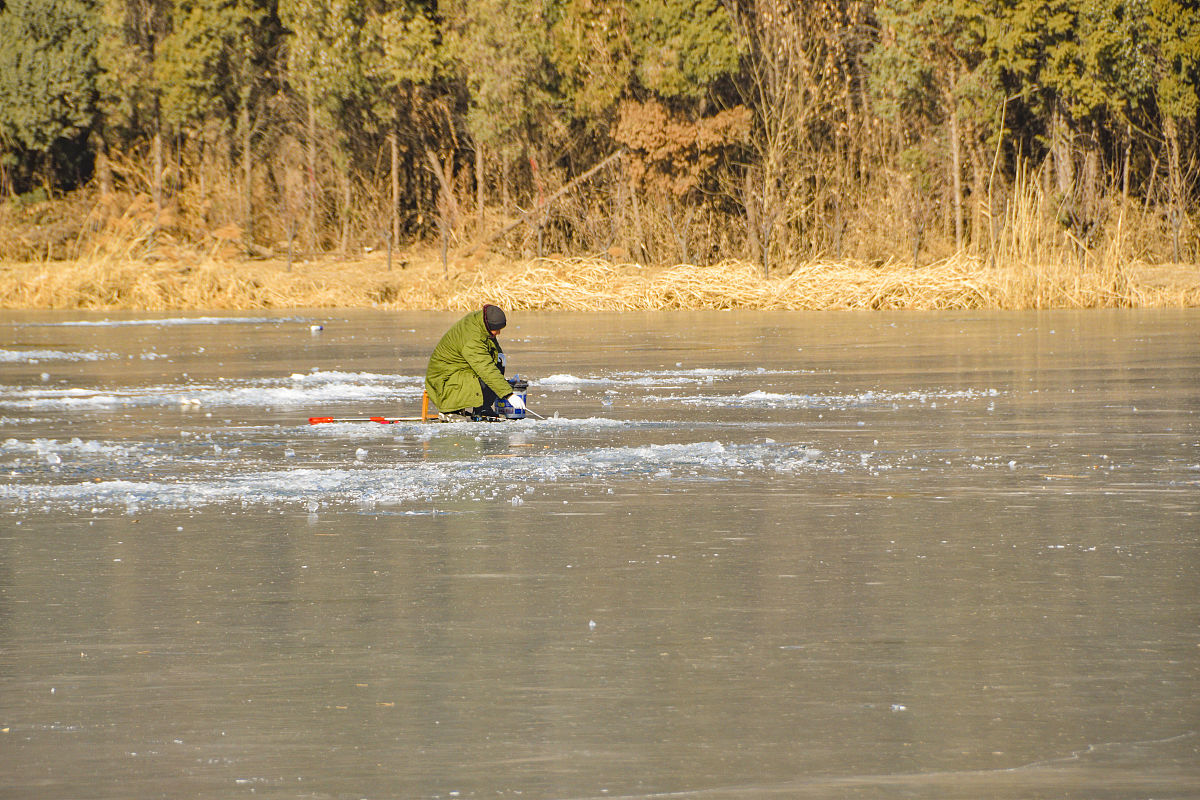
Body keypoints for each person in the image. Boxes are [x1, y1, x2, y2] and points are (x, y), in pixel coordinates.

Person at [424, 304, 526, 419]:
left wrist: (500, 357)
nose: (498, 333)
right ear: (489, 325)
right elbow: (485, 368)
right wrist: (508, 394)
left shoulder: (481, 323)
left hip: (461, 367)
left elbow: (492, 350)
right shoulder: (472, 339)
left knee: (497, 363)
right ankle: (451, 411)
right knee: (486, 372)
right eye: (496, 330)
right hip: (445, 378)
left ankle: (483, 408)